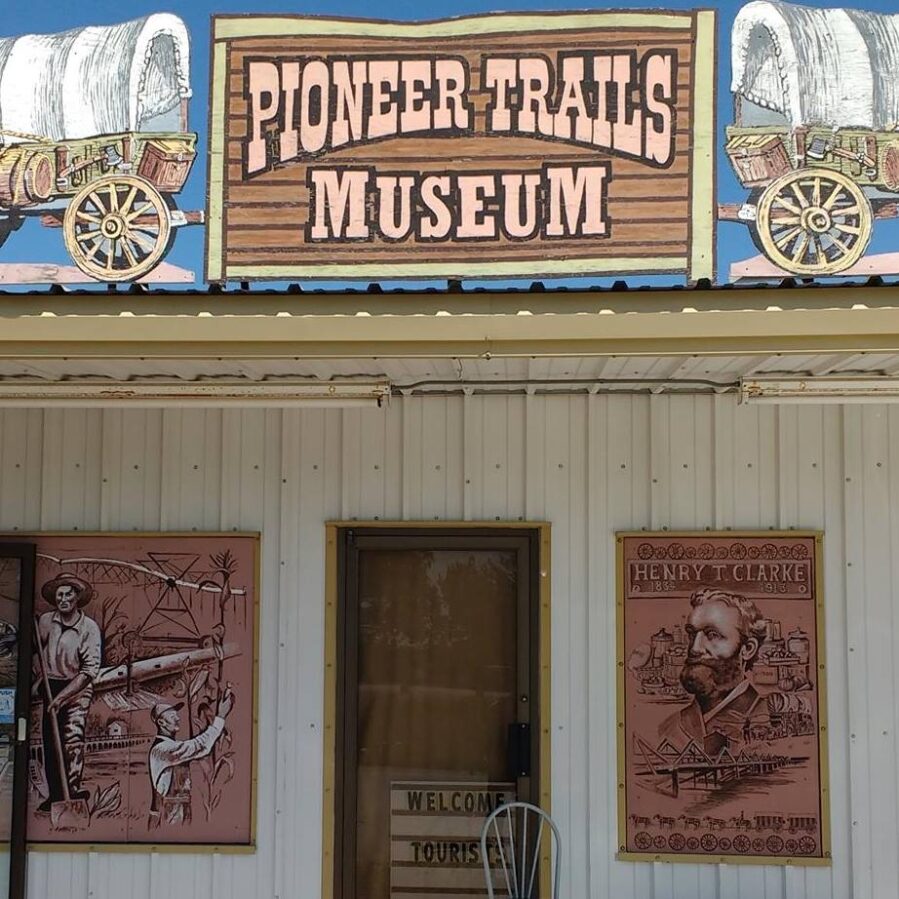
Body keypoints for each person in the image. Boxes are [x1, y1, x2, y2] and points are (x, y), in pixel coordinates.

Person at [659, 588, 767, 755]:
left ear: (747, 649)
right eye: (691, 634)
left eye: (713, 635)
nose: (694, 648)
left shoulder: (766, 720)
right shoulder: (668, 727)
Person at [34, 574, 101, 812]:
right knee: (51, 742)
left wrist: (63, 698)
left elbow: (89, 671)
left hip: (77, 686)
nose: (63, 599)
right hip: (51, 684)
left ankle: (71, 793)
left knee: (72, 741)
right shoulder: (44, 621)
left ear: (76, 598)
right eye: (59, 595)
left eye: (68, 594)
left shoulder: (88, 628)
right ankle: (55, 796)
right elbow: (36, 648)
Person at [147, 685, 234, 828]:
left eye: (176, 714)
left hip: (180, 811)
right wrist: (220, 718)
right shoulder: (162, 750)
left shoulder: (169, 747)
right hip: (167, 816)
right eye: (172, 715)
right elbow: (199, 746)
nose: (177, 717)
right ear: (161, 722)